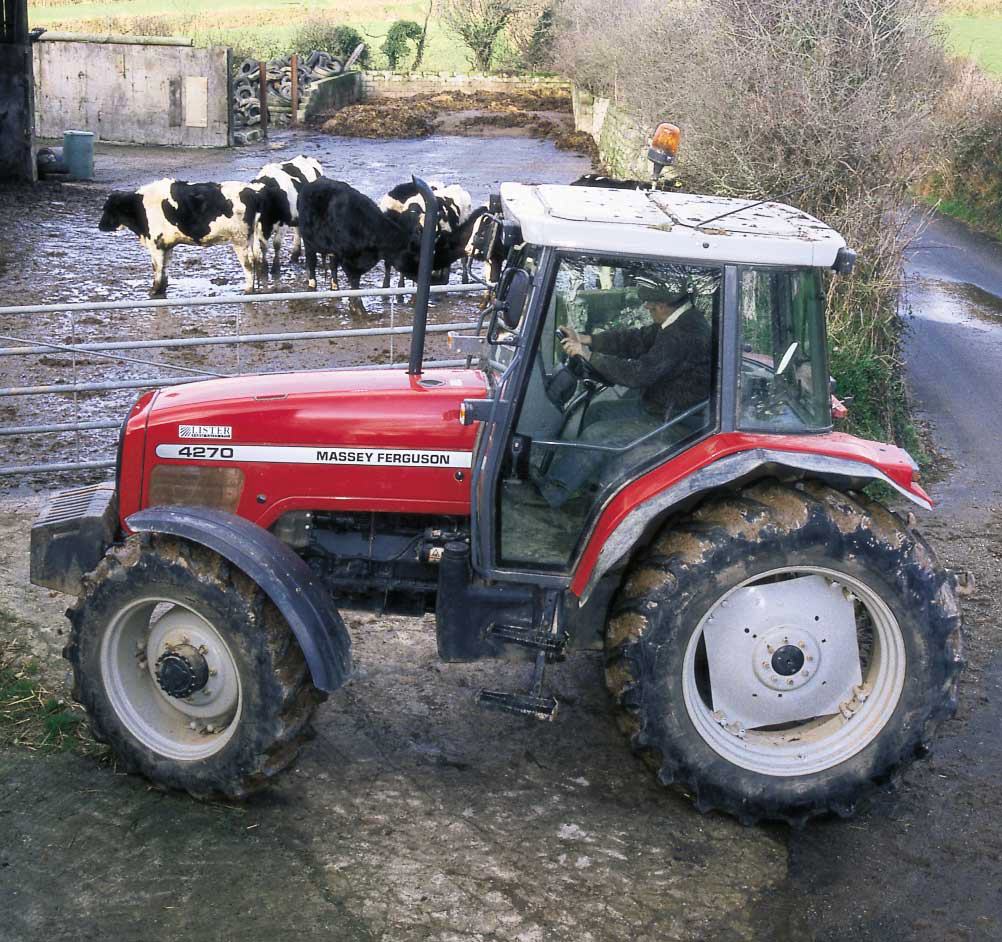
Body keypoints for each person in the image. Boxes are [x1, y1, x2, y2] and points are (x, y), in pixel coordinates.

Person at [537, 279, 713, 508]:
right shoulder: (679, 321)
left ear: (662, 305)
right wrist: (586, 339)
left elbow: (638, 374)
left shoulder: (682, 334)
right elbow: (637, 340)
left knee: (596, 435)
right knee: (598, 412)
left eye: (649, 307)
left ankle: (551, 496)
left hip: (676, 421)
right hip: (662, 407)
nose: (648, 311)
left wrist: (590, 357)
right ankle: (584, 483)